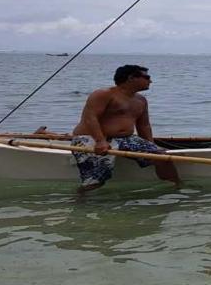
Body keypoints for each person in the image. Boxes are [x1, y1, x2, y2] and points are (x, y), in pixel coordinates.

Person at [70, 64, 180, 192]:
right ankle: (81, 198)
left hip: (126, 138)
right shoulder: (103, 94)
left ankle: (176, 188)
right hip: (92, 138)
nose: (150, 81)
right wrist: (100, 141)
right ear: (131, 78)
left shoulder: (141, 100)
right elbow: (90, 118)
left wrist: (152, 145)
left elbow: (143, 125)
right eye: (147, 77)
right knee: (96, 179)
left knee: (161, 157)